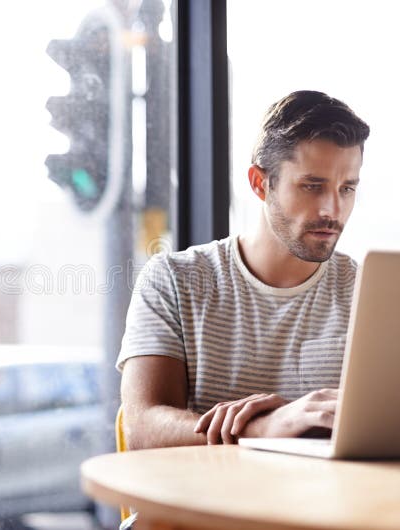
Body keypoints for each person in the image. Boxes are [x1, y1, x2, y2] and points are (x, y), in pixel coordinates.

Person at [117, 90, 370, 449]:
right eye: (312, 186)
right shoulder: (174, 280)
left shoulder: (367, 292)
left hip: (326, 501)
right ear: (259, 183)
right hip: (203, 501)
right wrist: (265, 429)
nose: (333, 209)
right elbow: (142, 427)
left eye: (347, 188)